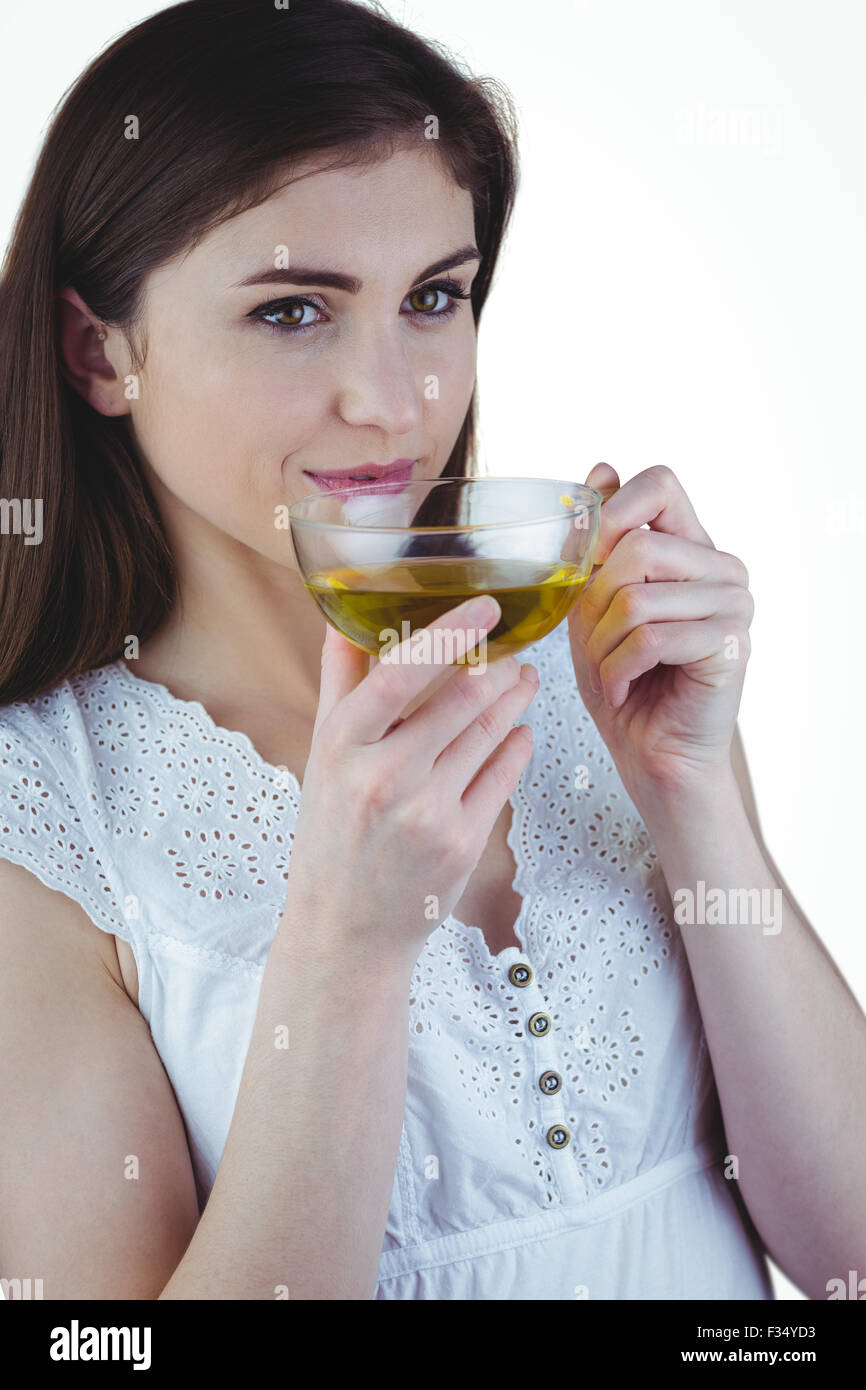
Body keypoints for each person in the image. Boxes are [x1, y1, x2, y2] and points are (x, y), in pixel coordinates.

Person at [0, 0, 863, 1302]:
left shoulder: (601, 677)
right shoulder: (42, 826)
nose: (393, 395)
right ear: (99, 351)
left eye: (434, 297)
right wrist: (346, 950)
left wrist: (693, 802)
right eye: (293, 309)